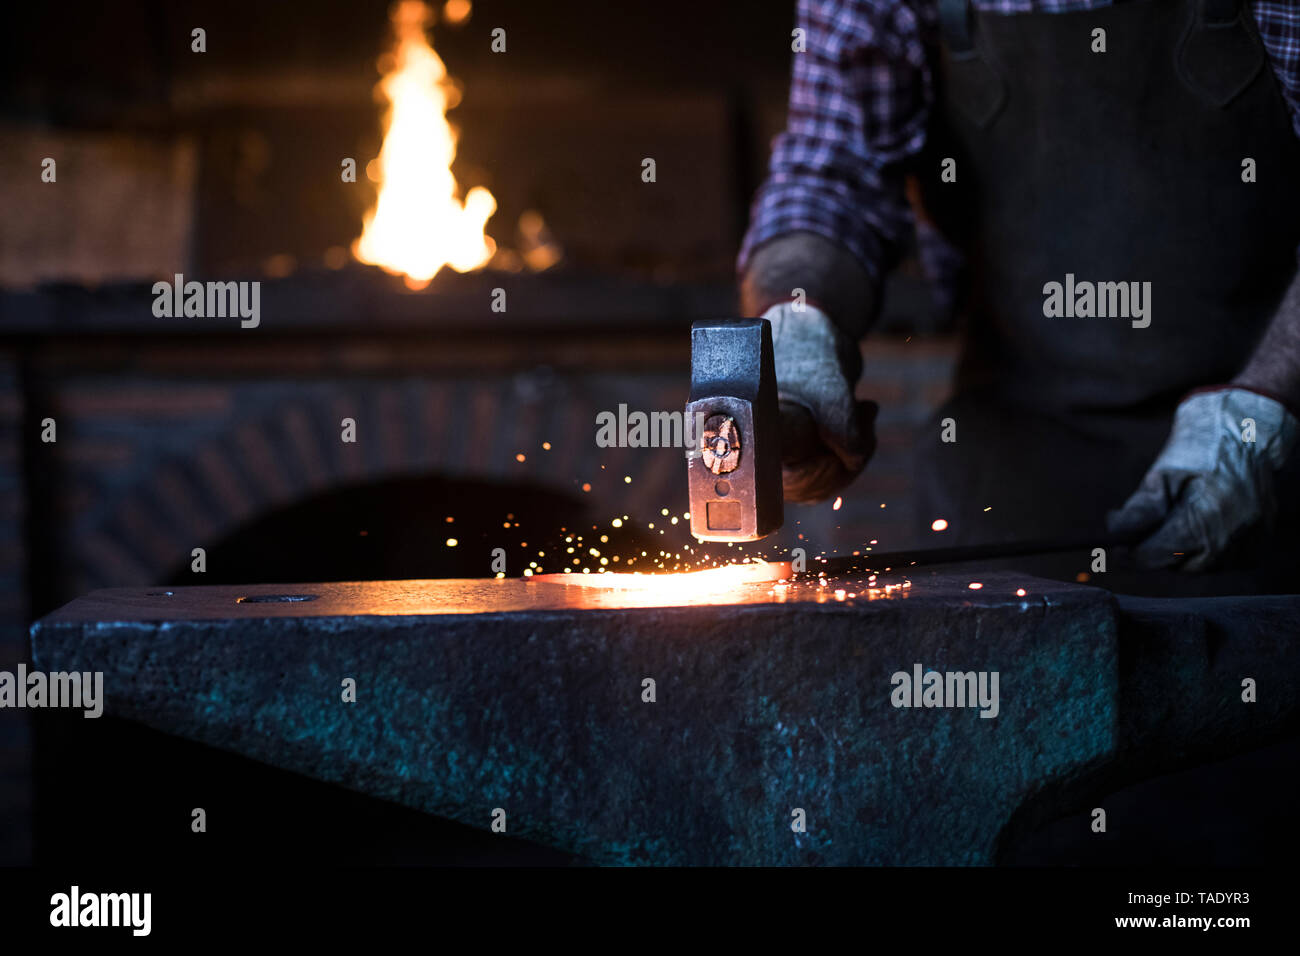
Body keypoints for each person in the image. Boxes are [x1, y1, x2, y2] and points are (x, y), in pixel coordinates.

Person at [740, 0, 1300, 572]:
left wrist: (1273, 402)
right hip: (1007, 473)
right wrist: (797, 324)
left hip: (1275, 458)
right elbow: (834, 177)